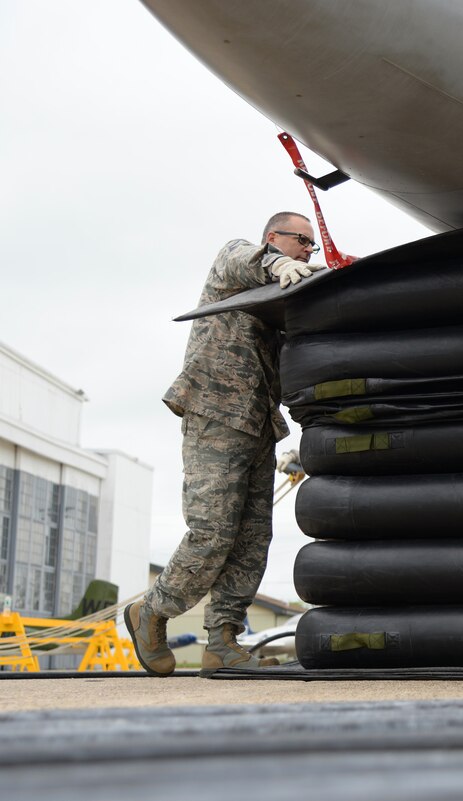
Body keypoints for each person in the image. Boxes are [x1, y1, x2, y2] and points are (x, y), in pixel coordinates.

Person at [125, 212, 321, 676]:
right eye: (302, 241)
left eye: (311, 246)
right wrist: (275, 264)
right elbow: (239, 255)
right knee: (212, 531)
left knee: (252, 539)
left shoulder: (279, 309)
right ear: (273, 238)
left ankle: (223, 641)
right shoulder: (236, 267)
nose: (307, 252)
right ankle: (152, 610)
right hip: (215, 414)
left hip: (258, 427)